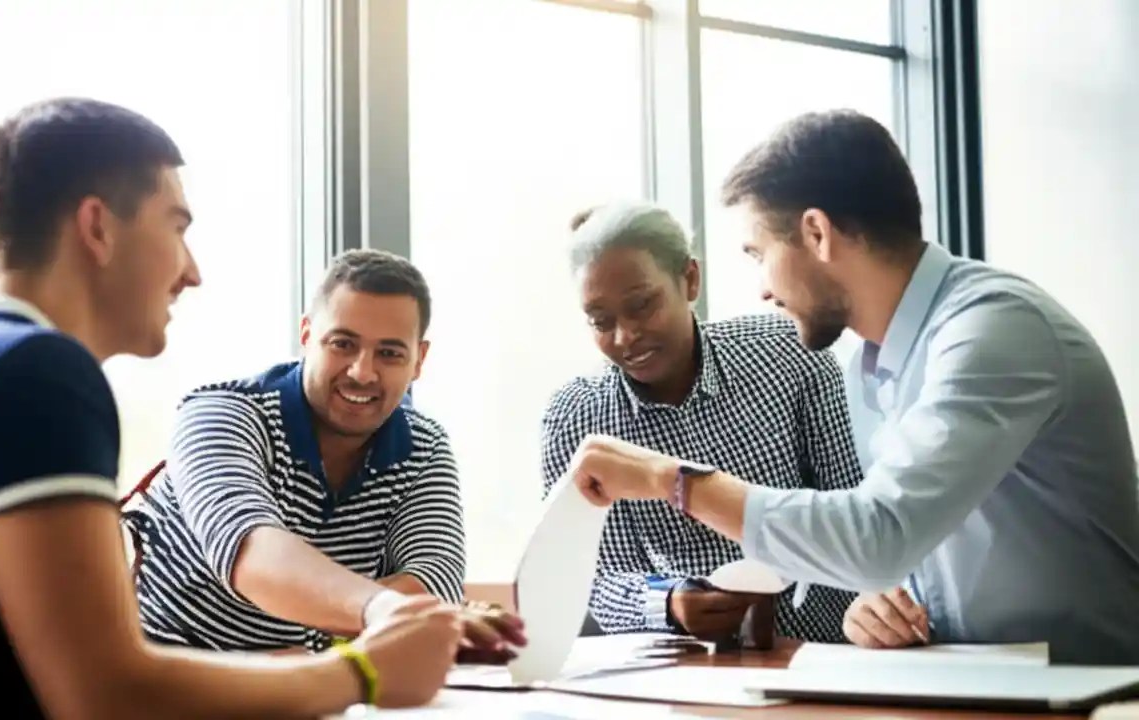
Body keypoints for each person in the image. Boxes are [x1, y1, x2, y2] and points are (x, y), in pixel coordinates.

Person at [0, 97, 461, 717]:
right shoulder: (40, 375)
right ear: (98, 228)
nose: (191, 271)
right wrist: (356, 673)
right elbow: (107, 694)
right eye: (177, 227)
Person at [563, 109, 1139, 665]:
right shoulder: (871, 366)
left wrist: (668, 478)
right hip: (980, 686)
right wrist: (876, 604)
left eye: (759, 254)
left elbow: (879, 532)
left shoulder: (992, 330)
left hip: (1093, 690)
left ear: (816, 232)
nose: (762, 288)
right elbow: (893, 552)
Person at [123, 248, 525, 661]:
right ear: (306, 335)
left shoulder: (424, 447)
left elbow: (433, 581)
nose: (362, 372)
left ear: (418, 361)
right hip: (170, 679)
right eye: (343, 344)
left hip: (314, 683)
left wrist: (328, 655)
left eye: (389, 353)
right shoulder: (219, 414)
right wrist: (380, 612)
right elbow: (253, 557)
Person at [540, 202, 861, 643]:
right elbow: (591, 576)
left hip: (826, 652)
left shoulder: (791, 355)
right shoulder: (577, 416)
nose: (624, 336)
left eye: (642, 305)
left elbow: (856, 513)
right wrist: (668, 601)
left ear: (690, 279)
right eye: (601, 321)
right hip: (685, 672)